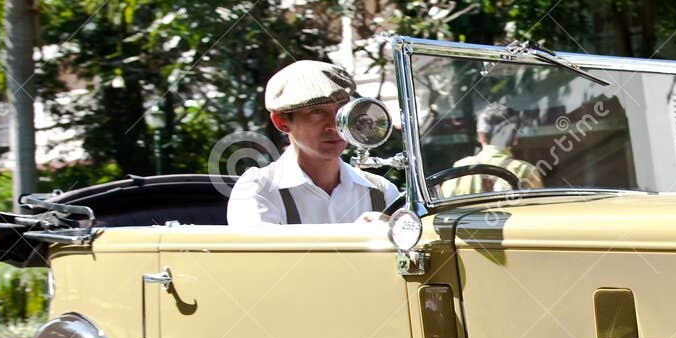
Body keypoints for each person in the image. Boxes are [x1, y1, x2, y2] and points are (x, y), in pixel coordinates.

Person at [227, 60, 400, 227]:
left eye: (341, 110)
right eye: (317, 112)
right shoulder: (258, 189)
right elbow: (262, 247)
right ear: (281, 122)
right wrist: (356, 235)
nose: (335, 125)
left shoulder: (382, 191)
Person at [435, 102, 544, 197]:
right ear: (515, 138)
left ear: (480, 136)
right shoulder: (527, 171)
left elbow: (444, 207)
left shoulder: (460, 168)